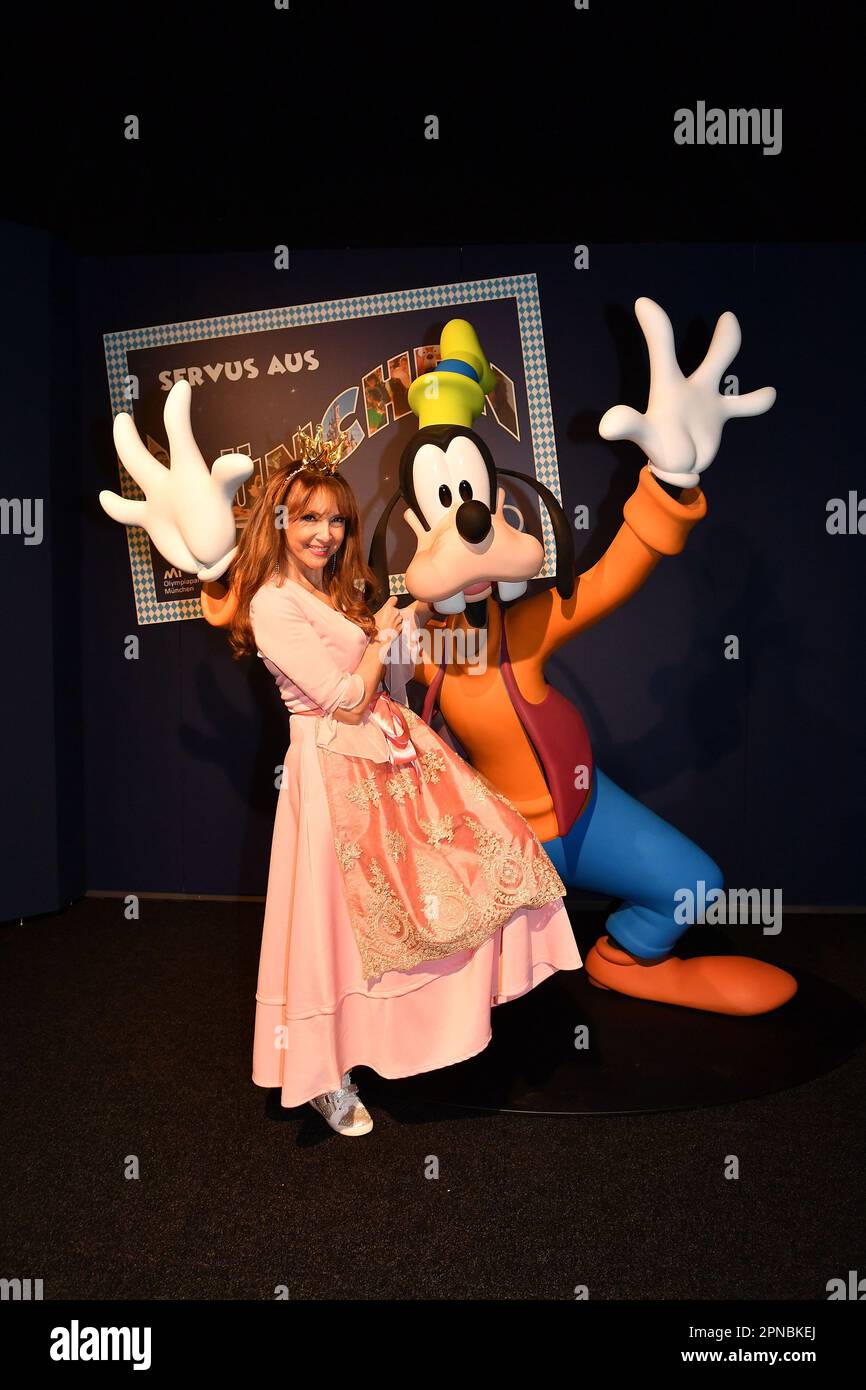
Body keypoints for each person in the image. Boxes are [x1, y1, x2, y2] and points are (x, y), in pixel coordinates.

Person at [224, 434, 581, 1136]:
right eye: (308, 519)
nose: (324, 534)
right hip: (330, 773)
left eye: (335, 520)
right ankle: (326, 1075)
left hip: (389, 756)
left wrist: (397, 631)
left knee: (469, 870)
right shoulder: (271, 604)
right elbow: (341, 698)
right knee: (340, 927)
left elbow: (383, 687)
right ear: (279, 524)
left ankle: (404, 1042)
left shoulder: (336, 592)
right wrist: (383, 639)